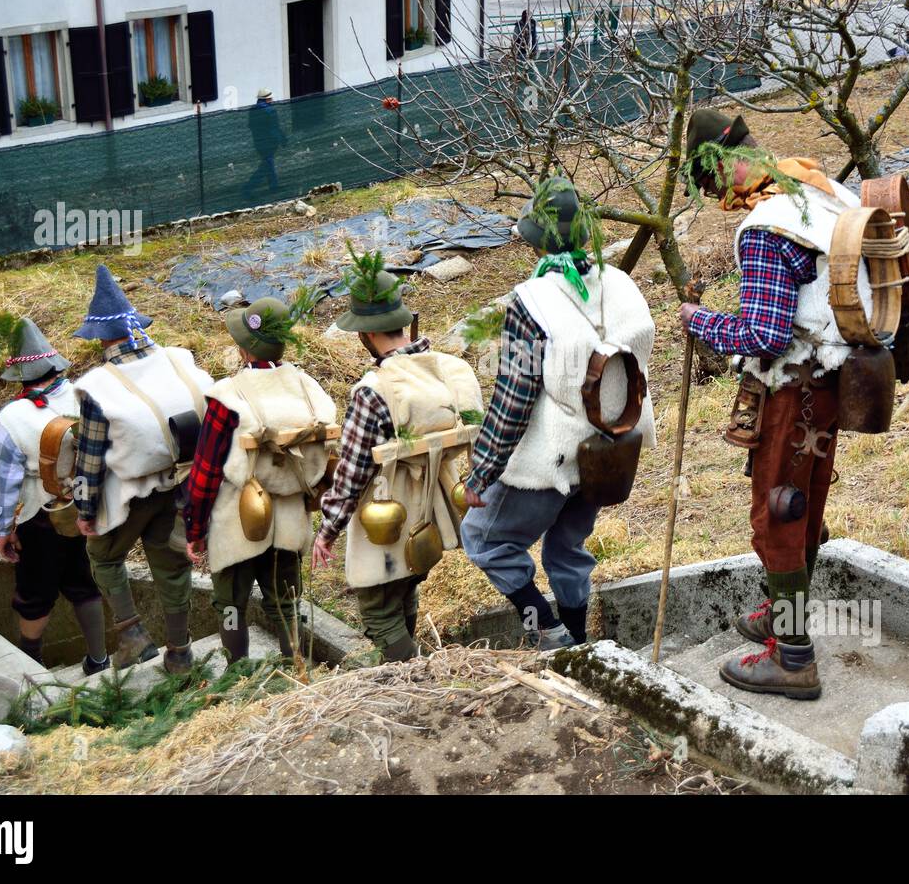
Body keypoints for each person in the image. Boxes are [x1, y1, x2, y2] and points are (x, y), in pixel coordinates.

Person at [678, 108, 868, 700]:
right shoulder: (823, 188)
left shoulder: (767, 227)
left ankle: (792, 657)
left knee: (777, 512)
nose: (718, 200)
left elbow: (763, 332)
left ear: (725, 165)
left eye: (711, 185)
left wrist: (701, 320)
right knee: (803, 501)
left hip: (793, 388)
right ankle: (780, 610)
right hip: (839, 376)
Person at [461, 177, 656, 650]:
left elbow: (514, 394)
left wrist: (481, 471)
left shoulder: (532, 301)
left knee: (485, 540)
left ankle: (544, 629)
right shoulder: (622, 282)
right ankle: (578, 638)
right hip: (610, 449)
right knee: (567, 547)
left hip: (553, 458)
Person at [313, 250, 482, 665]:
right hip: (435, 510)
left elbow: (352, 472)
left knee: (376, 610)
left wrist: (327, 528)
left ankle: (420, 675)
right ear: (404, 323)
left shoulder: (372, 390)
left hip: (386, 513)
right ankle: (406, 669)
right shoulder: (447, 369)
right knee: (405, 587)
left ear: (365, 335)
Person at [72, 264, 213, 673]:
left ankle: (132, 633)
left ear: (101, 337)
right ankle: (180, 652)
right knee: (172, 567)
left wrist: (84, 512)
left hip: (132, 493)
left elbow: (90, 458)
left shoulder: (98, 387)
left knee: (102, 553)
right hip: (185, 484)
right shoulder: (180, 360)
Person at [183, 297, 337, 663]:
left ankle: (237, 671)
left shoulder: (227, 396)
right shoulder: (308, 388)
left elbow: (204, 472)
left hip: (238, 519)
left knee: (230, 604)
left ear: (242, 349)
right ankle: (296, 666)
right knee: (284, 601)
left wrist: (194, 529)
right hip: (289, 516)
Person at [0, 317, 109, 674]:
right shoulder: (87, 395)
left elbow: (4, 482)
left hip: (41, 517)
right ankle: (99, 659)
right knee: (84, 582)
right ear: (55, 365)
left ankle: (33, 661)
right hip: (89, 508)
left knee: (34, 593)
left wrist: (3, 528)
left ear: (21, 378)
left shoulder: (14, 416)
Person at [244, 88, 285, 198]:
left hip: (258, 142)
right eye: (270, 98)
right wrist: (282, 139)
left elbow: (251, 126)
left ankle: (274, 186)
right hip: (270, 142)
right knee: (266, 165)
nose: (272, 100)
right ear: (267, 99)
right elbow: (274, 128)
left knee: (268, 163)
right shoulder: (270, 111)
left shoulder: (252, 110)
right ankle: (247, 188)